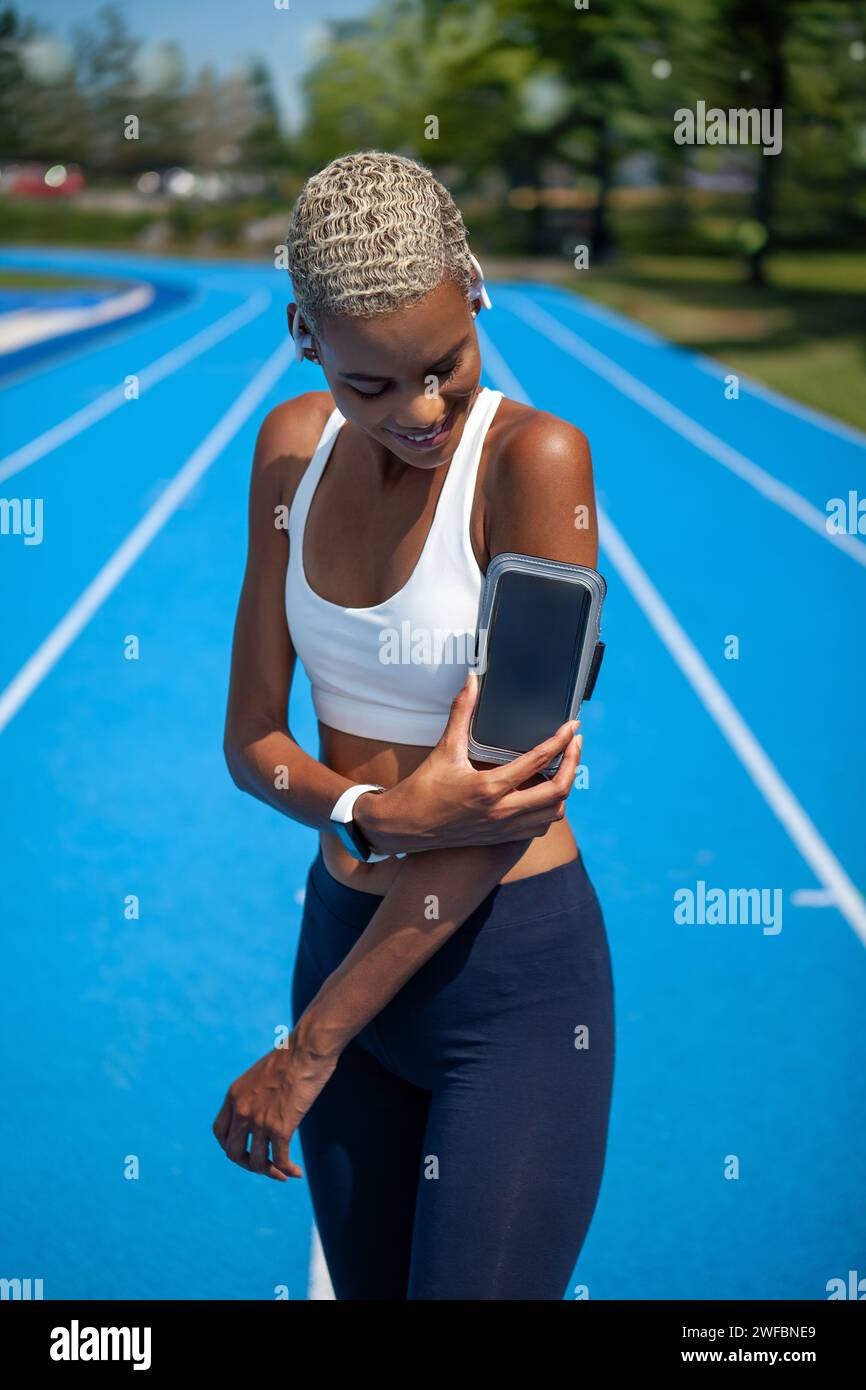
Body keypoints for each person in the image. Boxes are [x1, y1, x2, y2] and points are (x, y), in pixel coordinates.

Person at [213, 150, 615, 1300]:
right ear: (303, 337)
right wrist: (372, 810)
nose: (420, 412)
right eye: (369, 388)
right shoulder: (288, 450)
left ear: (476, 290)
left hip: (507, 982)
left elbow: (501, 814)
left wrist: (308, 1048)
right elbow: (251, 740)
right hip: (337, 929)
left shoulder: (533, 462)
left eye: (442, 366)